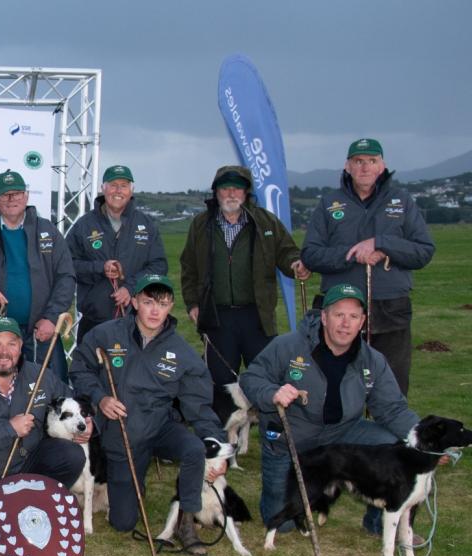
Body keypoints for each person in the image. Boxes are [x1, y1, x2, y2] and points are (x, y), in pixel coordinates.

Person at [239, 283, 420, 531]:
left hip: (342, 432)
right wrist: (272, 393)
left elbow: (393, 409)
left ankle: (382, 522)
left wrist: (423, 439)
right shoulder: (288, 345)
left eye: (353, 316)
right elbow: (251, 378)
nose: (345, 324)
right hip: (290, 438)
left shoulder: (372, 360)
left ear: (362, 322)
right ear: (324, 317)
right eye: (338, 314)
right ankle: (317, 491)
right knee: (282, 524)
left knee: (391, 444)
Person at [70, 275, 224, 556]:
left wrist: (217, 447)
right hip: (121, 436)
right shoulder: (107, 334)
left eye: (163, 304)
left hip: (159, 427)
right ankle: (134, 481)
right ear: (135, 302)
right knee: (123, 522)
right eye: (149, 302)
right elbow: (79, 368)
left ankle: (185, 522)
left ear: (171, 306)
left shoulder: (181, 351)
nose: (155, 311)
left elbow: (200, 406)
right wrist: (100, 398)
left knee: (193, 449)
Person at [301, 138, 435, 397]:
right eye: (358, 161)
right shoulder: (329, 203)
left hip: (390, 309)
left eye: (372, 161)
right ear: (347, 166)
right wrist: (354, 254)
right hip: (340, 308)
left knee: (391, 386)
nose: (365, 167)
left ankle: (389, 425)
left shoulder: (402, 201)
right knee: (333, 386)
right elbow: (310, 254)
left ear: (382, 166)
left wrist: (382, 244)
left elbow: (423, 251)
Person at [180, 165, 310, 421]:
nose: (231, 193)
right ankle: (222, 439)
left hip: (257, 316)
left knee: (266, 377)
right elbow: (189, 267)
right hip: (217, 316)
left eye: (237, 188)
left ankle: (274, 432)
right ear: (216, 192)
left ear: (246, 192)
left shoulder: (265, 222)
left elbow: (287, 252)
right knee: (219, 380)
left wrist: (296, 264)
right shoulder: (201, 224)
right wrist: (193, 303)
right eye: (225, 188)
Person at [0, 315, 86, 513]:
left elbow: (72, 400)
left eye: (11, 344)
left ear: (20, 347)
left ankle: (40, 502)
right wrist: (8, 429)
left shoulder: (40, 375)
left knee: (71, 455)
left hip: (29, 468)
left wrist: (86, 421)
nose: (4, 352)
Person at [0, 170, 76, 381]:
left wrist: (51, 318)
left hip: (41, 330)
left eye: (17, 193)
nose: (11, 198)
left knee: (50, 389)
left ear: (26, 196)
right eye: (5, 194)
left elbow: (66, 277)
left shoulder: (48, 231)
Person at [67, 165, 167, 342]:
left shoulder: (145, 224)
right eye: (113, 185)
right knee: (89, 361)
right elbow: (68, 265)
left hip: (136, 320)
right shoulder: (84, 225)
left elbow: (159, 265)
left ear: (131, 190)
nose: (118, 190)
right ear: (103, 188)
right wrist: (100, 268)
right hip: (94, 321)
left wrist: (131, 288)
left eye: (124, 185)